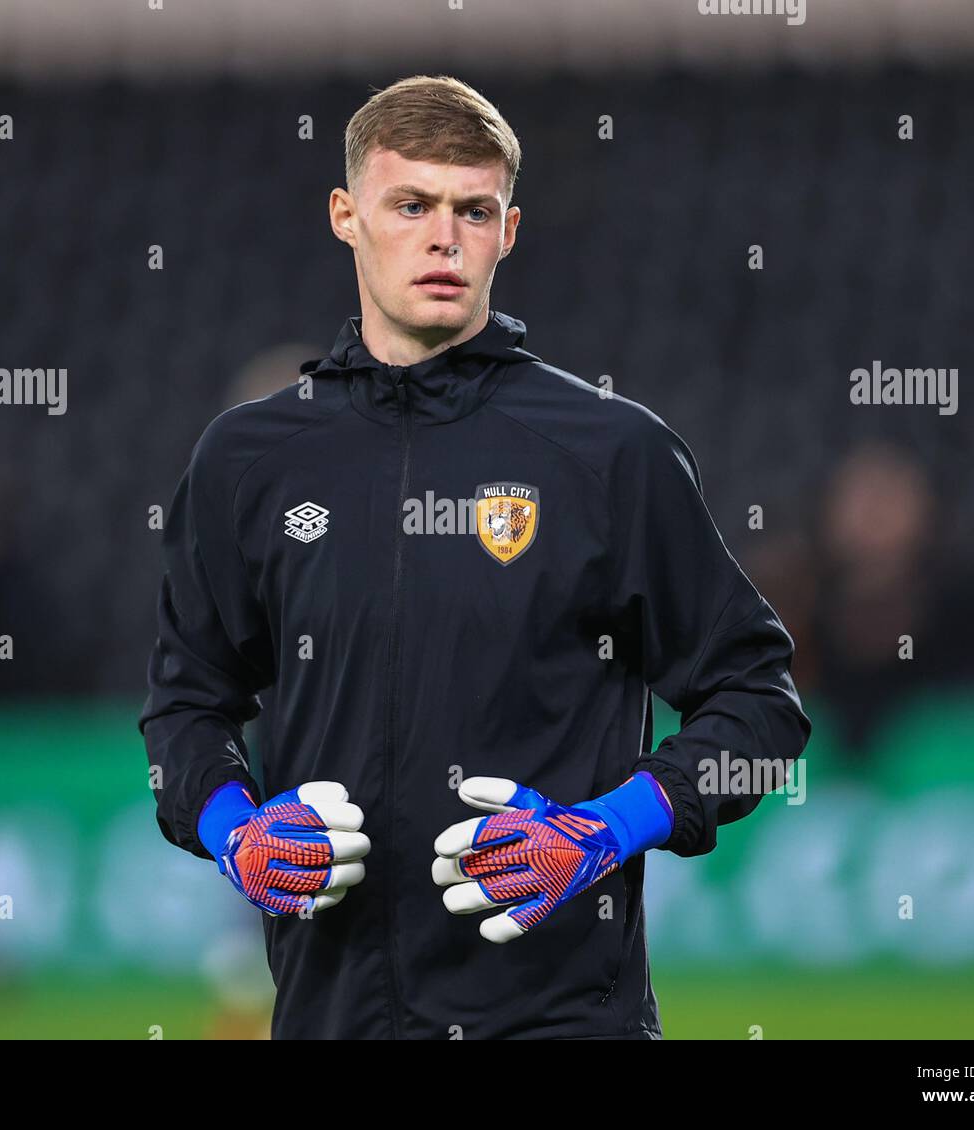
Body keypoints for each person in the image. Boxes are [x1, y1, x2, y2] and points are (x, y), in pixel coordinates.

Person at [139, 74, 809, 1040]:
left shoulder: (609, 453)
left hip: (565, 1022)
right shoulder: (249, 461)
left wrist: (600, 833)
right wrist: (234, 831)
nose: (443, 235)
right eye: (410, 204)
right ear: (346, 216)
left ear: (509, 229)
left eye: (473, 209)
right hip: (332, 1019)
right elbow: (184, 708)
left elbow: (761, 709)